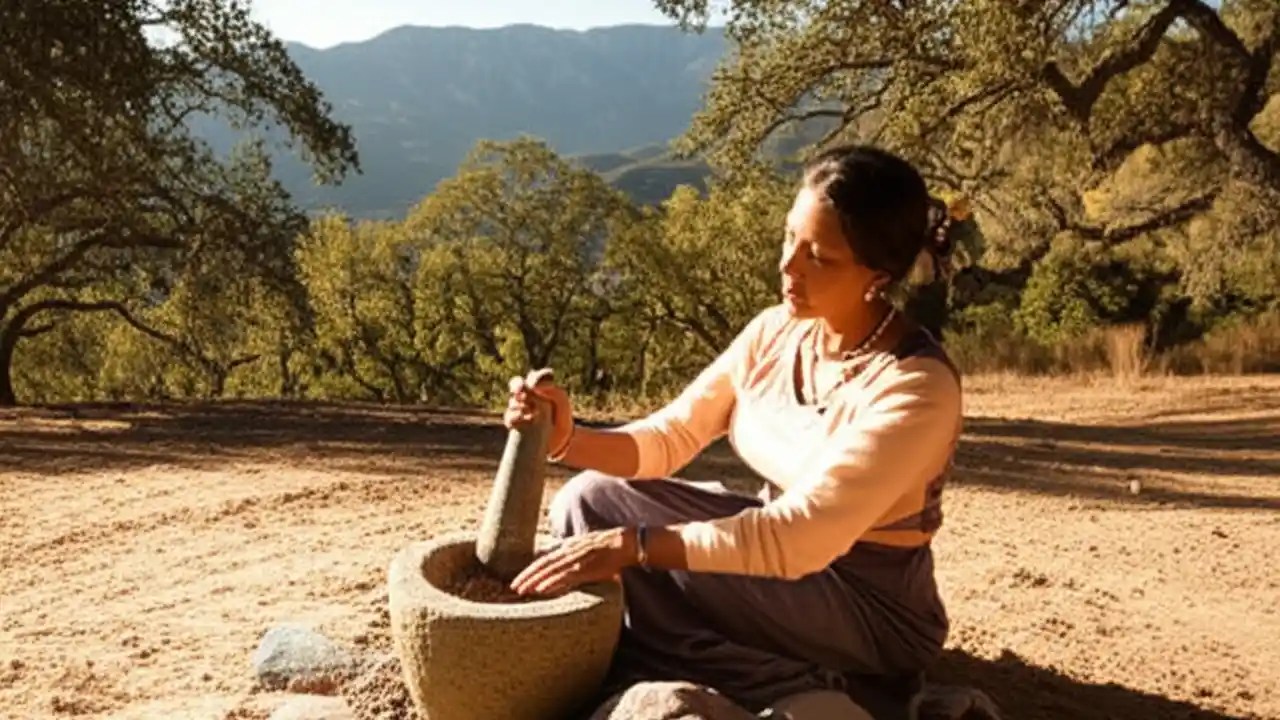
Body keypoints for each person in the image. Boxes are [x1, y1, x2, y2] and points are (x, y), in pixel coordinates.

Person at [503, 144, 964, 719]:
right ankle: (693, 661)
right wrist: (567, 439)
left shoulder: (915, 387)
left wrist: (637, 546)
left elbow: (798, 539)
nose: (787, 267)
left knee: (630, 557)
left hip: (861, 603)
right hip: (774, 555)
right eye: (787, 239)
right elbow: (670, 437)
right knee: (587, 502)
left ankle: (817, 688)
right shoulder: (777, 331)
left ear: (877, 276)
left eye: (817, 256)